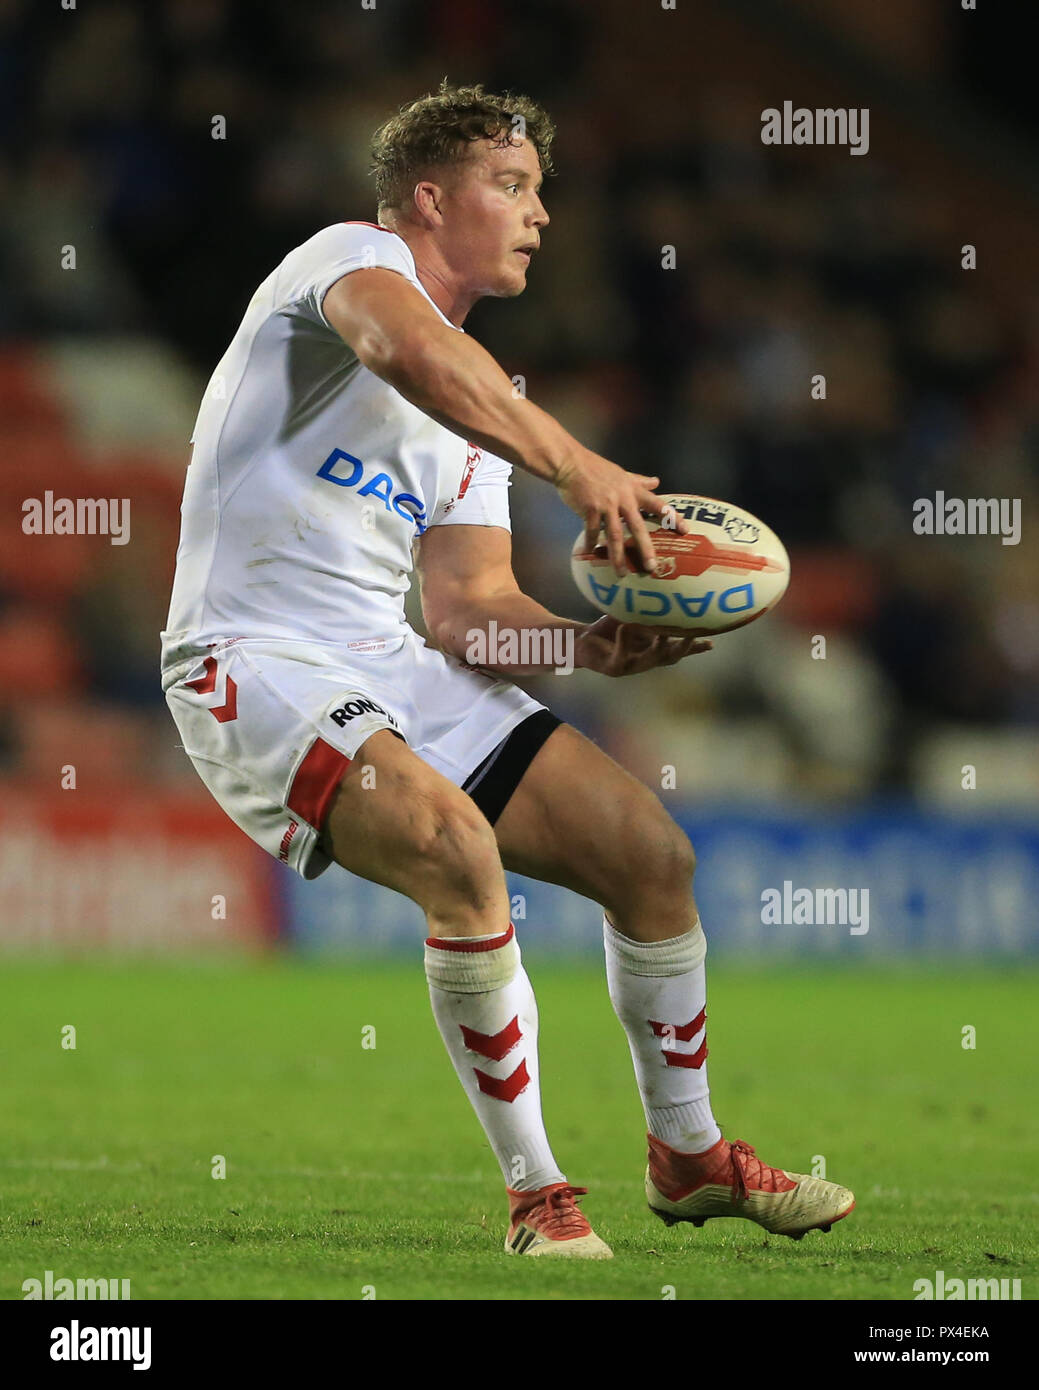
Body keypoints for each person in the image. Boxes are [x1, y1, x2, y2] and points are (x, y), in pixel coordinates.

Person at [161, 80, 854, 1259]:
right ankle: (539, 1197)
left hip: (385, 659)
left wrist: (587, 649)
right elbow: (406, 349)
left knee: (648, 854)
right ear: (430, 199)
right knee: (454, 851)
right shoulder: (346, 264)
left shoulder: (481, 406)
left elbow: (472, 614)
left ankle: (688, 1155)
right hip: (248, 652)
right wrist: (581, 469)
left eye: (542, 191)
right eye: (513, 185)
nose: (540, 213)